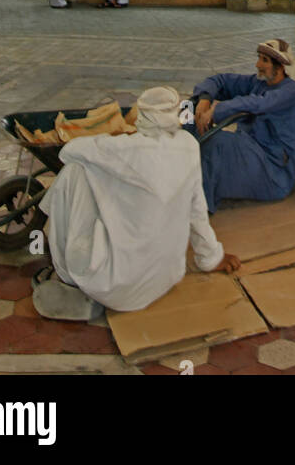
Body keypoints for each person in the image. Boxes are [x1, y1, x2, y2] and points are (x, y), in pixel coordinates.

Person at [35, 86, 239, 319]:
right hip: (164, 278)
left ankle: (67, 275)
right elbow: (197, 212)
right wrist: (213, 258)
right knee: (109, 180)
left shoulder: (125, 148)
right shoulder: (189, 146)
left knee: (75, 172)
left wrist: (109, 147)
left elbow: (68, 151)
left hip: (114, 284)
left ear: (143, 115)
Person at [184, 40, 295, 213]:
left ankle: (200, 209)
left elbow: (256, 103)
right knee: (188, 107)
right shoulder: (258, 83)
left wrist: (216, 109)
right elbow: (221, 80)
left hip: (273, 171)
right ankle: (180, 154)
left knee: (217, 143)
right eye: (259, 58)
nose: (258, 65)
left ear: (281, 67)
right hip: (248, 151)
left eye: (264, 61)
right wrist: (204, 98)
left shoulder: (290, 91)